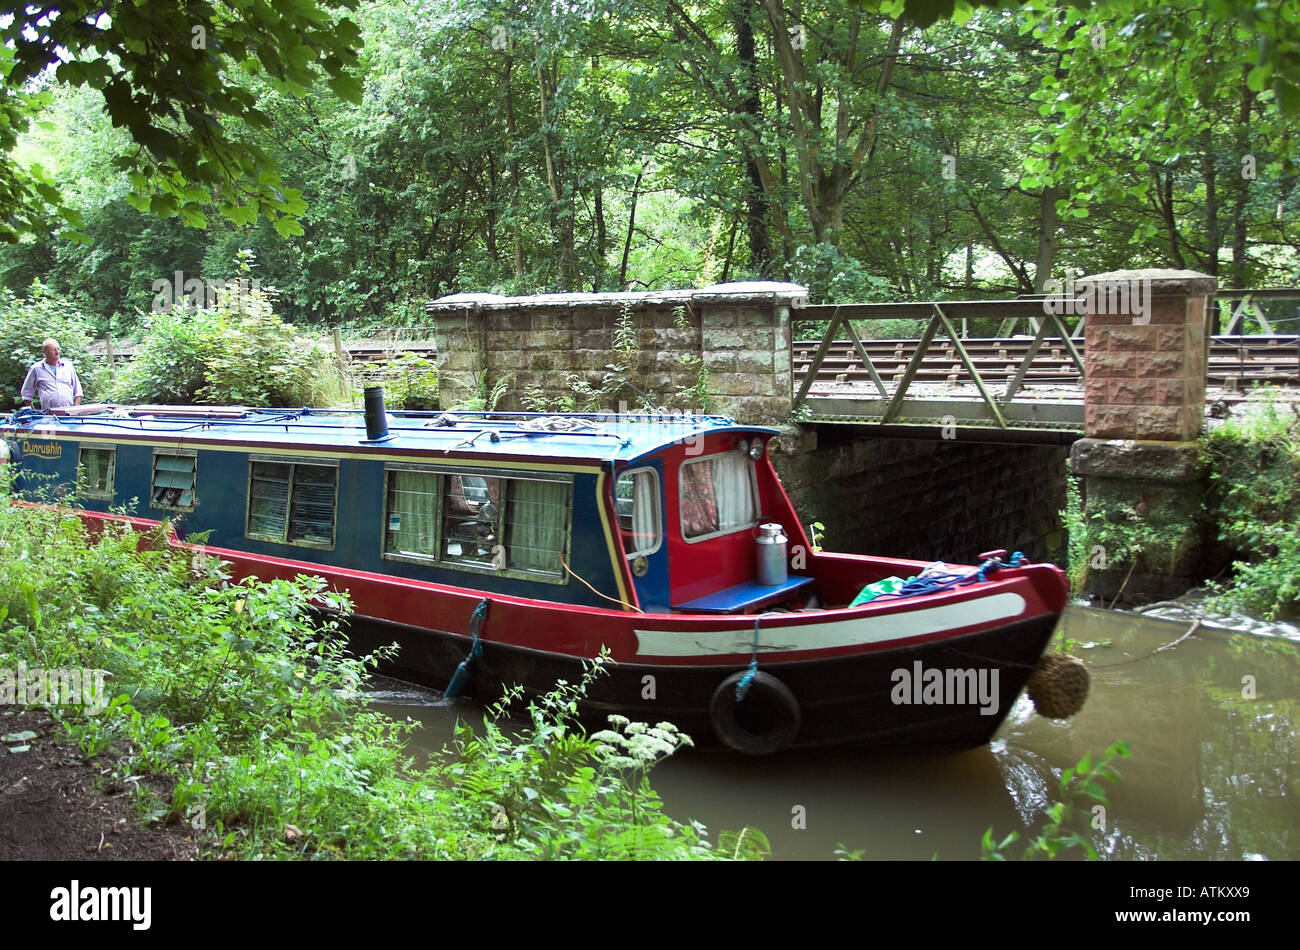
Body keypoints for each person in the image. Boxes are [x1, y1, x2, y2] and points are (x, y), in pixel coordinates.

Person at [20, 338, 83, 410]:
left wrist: (75, 409)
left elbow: (78, 391)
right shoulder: (36, 369)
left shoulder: (68, 366)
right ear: (45, 352)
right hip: (48, 415)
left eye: (58, 349)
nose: (57, 352)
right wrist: (34, 412)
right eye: (53, 350)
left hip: (69, 413)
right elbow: (26, 394)